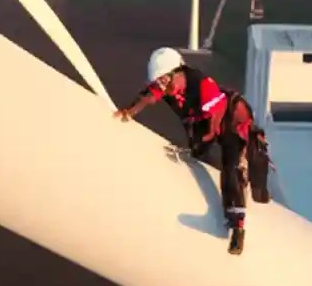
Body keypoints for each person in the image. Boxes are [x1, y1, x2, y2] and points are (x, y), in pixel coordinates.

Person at [113, 48, 271, 255]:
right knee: (202, 153)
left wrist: (196, 147)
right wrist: (129, 111)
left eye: (163, 81)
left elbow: (211, 127)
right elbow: (149, 96)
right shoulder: (169, 85)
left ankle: (237, 227)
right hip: (206, 122)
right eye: (159, 82)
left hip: (231, 121)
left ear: (176, 73)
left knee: (232, 169)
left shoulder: (203, 87)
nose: (161, 86)